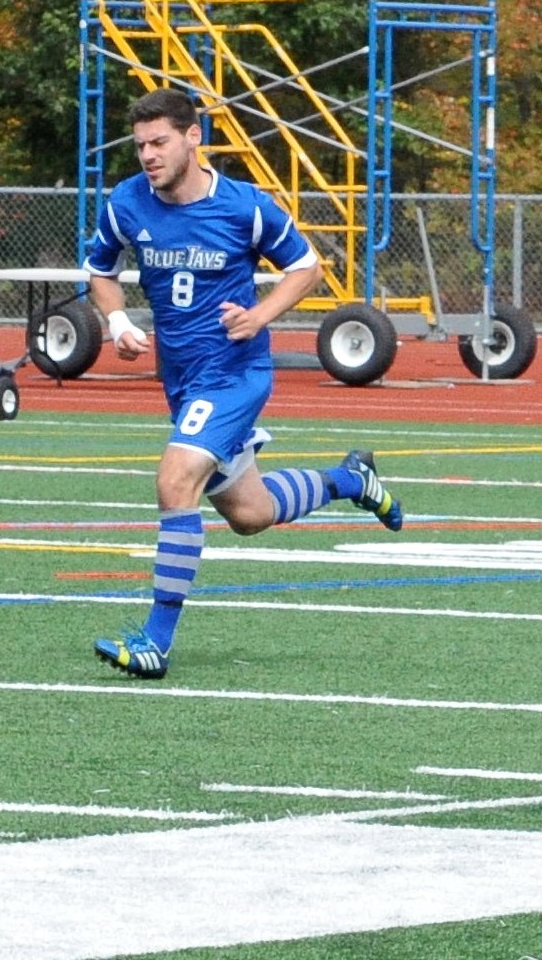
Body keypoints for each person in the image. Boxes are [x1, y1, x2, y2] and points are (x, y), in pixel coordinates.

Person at [82, 87, 402, 680]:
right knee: (250, 513)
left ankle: (155, 641)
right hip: (180, 378)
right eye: (140, 146)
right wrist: (118, 319)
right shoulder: (126, 202)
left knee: (174, 480)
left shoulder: (244, 206)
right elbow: (101, 270)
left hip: (234, 374)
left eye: (159, 142)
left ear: (192, 137)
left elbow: (307, 267)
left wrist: (260, 316)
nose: (148, 155)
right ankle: (349, 479)